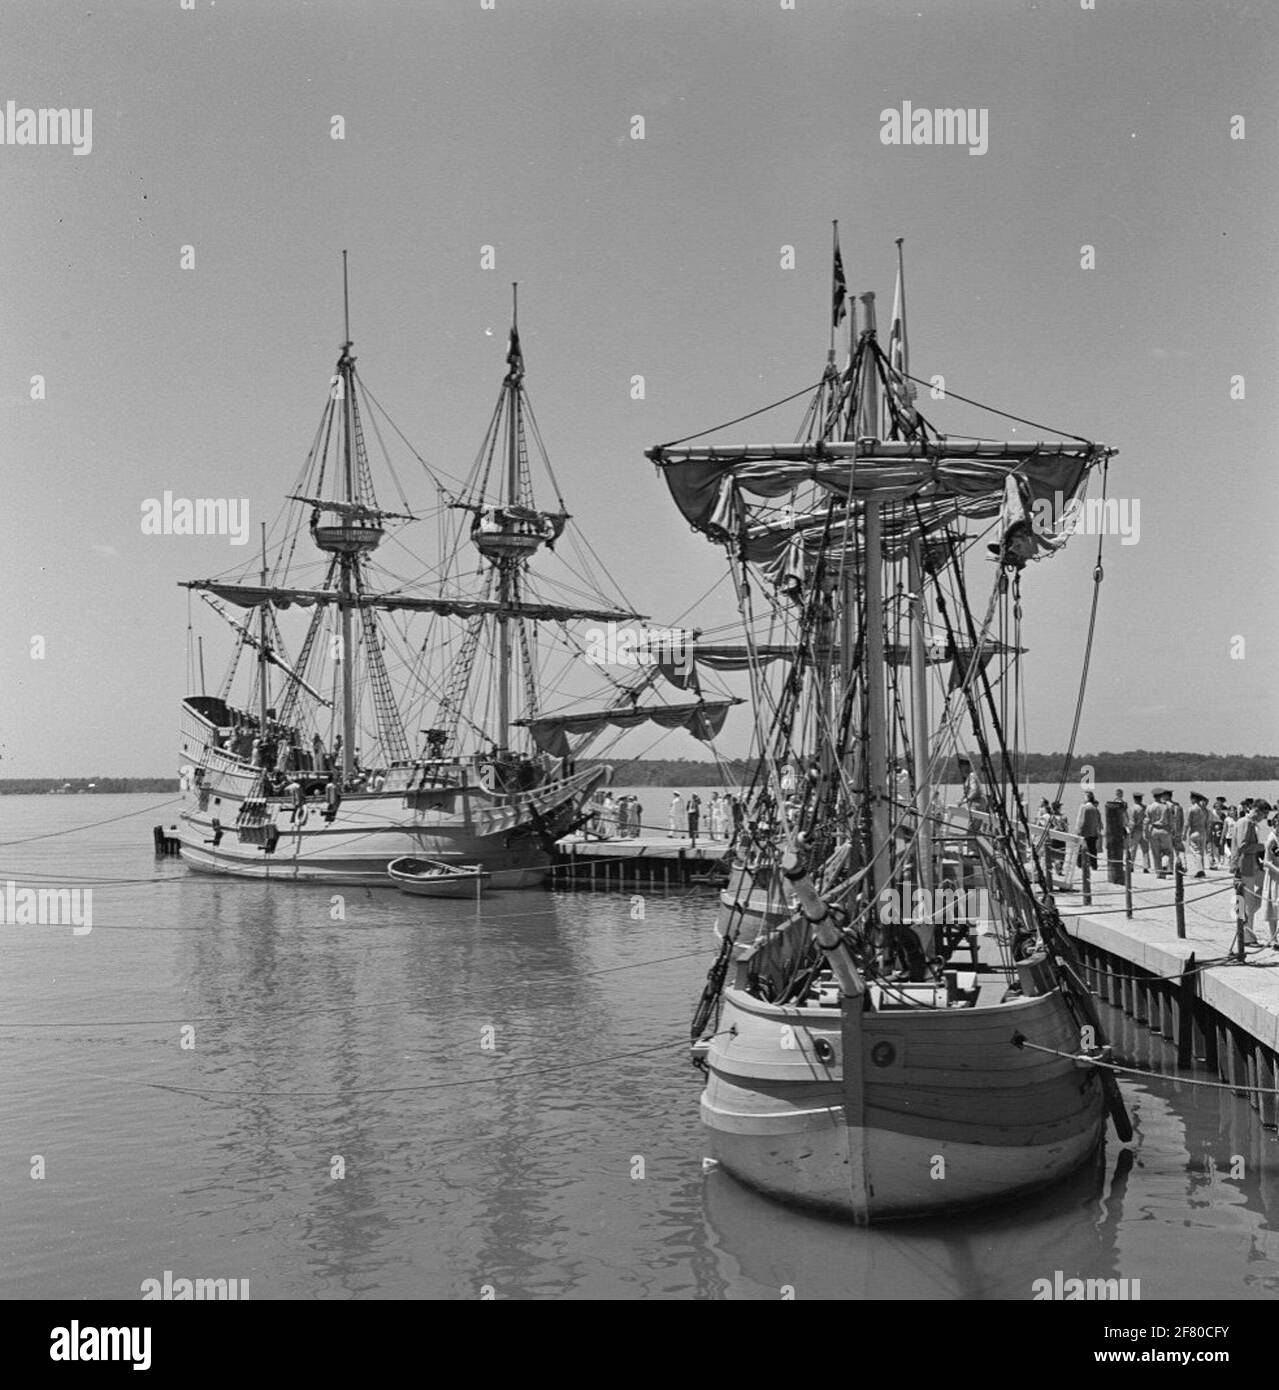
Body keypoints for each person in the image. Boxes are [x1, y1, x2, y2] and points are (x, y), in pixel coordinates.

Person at [1230, 799, 1271, 947]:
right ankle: (1246, 937)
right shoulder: (1245, 823)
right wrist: (1263, 846)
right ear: (1257, 811)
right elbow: (1243, 846)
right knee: (1245, 902)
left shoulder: (1251, 824)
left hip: (1252, 866)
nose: (1264, 819)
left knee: (1259, 895)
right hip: (1243, 867)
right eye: (1264, 815)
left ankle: (1244, 930)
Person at [1146, 788, 1177, 879]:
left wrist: (1146, 833)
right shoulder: (1167, 806)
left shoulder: (1150, 807)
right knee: (1167, 851)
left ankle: (1159, 873)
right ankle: (1164, 864)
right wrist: (1173, 830)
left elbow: (1146, 821)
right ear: (1161, 796)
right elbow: (1172, 820)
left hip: (1154, 830)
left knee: (1156, 853)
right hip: (1165, 830)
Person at [1185, 793, 1211, 879]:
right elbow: (1207, 824)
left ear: (1194, 799)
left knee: (1196, 852)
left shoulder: (1192, 809)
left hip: (1194, 832)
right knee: (1201, 852)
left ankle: (1200, 870)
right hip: (1203, 832)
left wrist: (1184, 834)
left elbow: (1187, 823)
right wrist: (1208, 834)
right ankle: (1201, 870)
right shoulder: (1205, 810)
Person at [1075, 791, 1102, 871]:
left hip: (1084, 832)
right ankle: (1094, 865)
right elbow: (1098, 821)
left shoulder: (1083, 807)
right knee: (1093, 849)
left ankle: (1079, 864)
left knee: (1081, 849)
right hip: (1093, 832)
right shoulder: (1095, 808)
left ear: (1087, 798)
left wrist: (1078, 830)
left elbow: (1080, 820)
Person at [1127, 792, 1150, 873]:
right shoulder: (1145, 807)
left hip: (1136, 830)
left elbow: (1132, 821)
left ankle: (1131, 866)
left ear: (1134, 799)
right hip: (1144, 829)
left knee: (1133, 849)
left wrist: (1131, 832)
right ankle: (1146, 867)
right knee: (1145, 850)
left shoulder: (1133, 808)